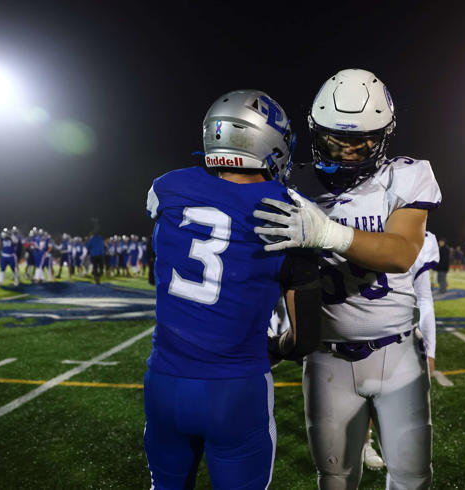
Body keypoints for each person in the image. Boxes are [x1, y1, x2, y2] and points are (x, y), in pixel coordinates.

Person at [255, 69, 441, 489]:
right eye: (337, 139)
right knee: (335, 477)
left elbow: (401, 251)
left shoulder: (406, 175)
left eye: (363, 141)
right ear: (316, 132)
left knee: (412, 478)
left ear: (386, 135)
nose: (350, 151)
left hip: (396, 352)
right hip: (326, 356)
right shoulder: (293, 181)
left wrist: (327, 233)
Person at [143, 89, 319, 489]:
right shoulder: (288, 208)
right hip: (235, 389)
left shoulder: (167, 188)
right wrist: (279, 348)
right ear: (269, 141)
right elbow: (307, 335)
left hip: (163, 384)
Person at [363, 230, 440, 472]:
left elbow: (425, 298)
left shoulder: (420, 236)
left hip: (400, 333)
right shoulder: (358, 217)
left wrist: (430, 350)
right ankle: (364, 442)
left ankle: (377, 441)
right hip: (359, 327)